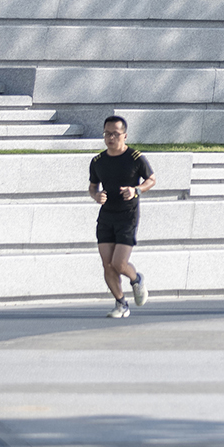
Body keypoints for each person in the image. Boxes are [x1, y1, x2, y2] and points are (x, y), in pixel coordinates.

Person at [87, 116, 155, 318]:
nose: (111, 138)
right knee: (107, 264)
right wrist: (96, 196)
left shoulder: (135, 158)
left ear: (124, 136)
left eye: (115, 134)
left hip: (127, 216)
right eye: (107, 134)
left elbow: (151, 179)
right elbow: (92, 187)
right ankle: (121, 303)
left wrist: (136, 190)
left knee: (119, 263)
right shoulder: (98, 161)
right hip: (106, 216)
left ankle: (136, 279)